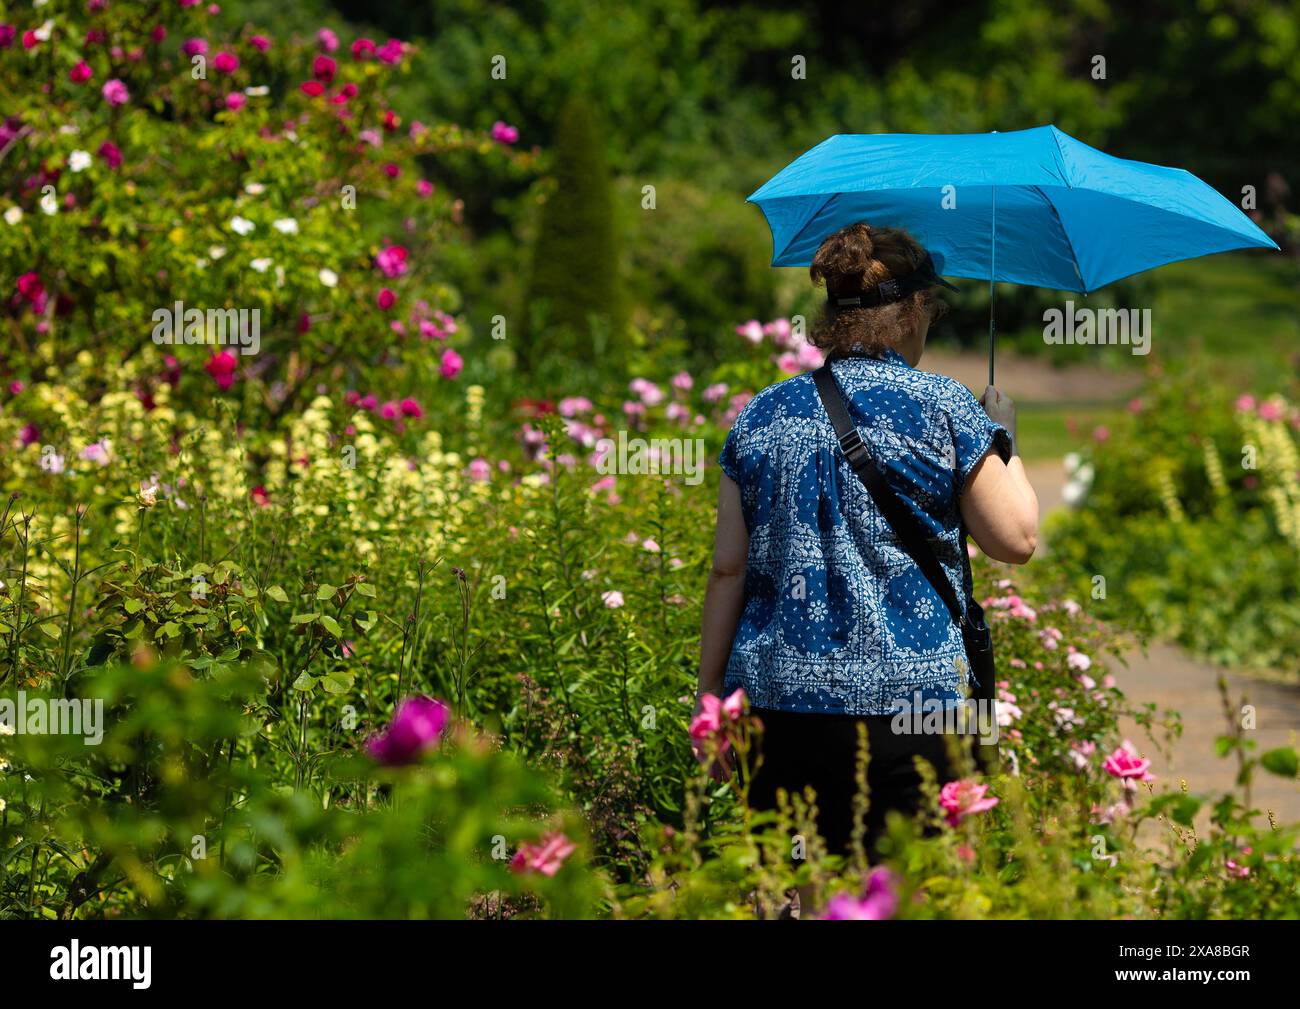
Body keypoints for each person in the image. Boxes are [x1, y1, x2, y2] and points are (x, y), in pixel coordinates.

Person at [694, 221, 1039, 858]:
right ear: (913, 313)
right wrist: (1002, 439)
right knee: (908, 889)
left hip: (777, 706)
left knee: (793, 885)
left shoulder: (761, 413)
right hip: (910, 713)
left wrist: (709, 696)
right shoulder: (945, 407)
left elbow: (727, 572)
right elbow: (1015, 539)